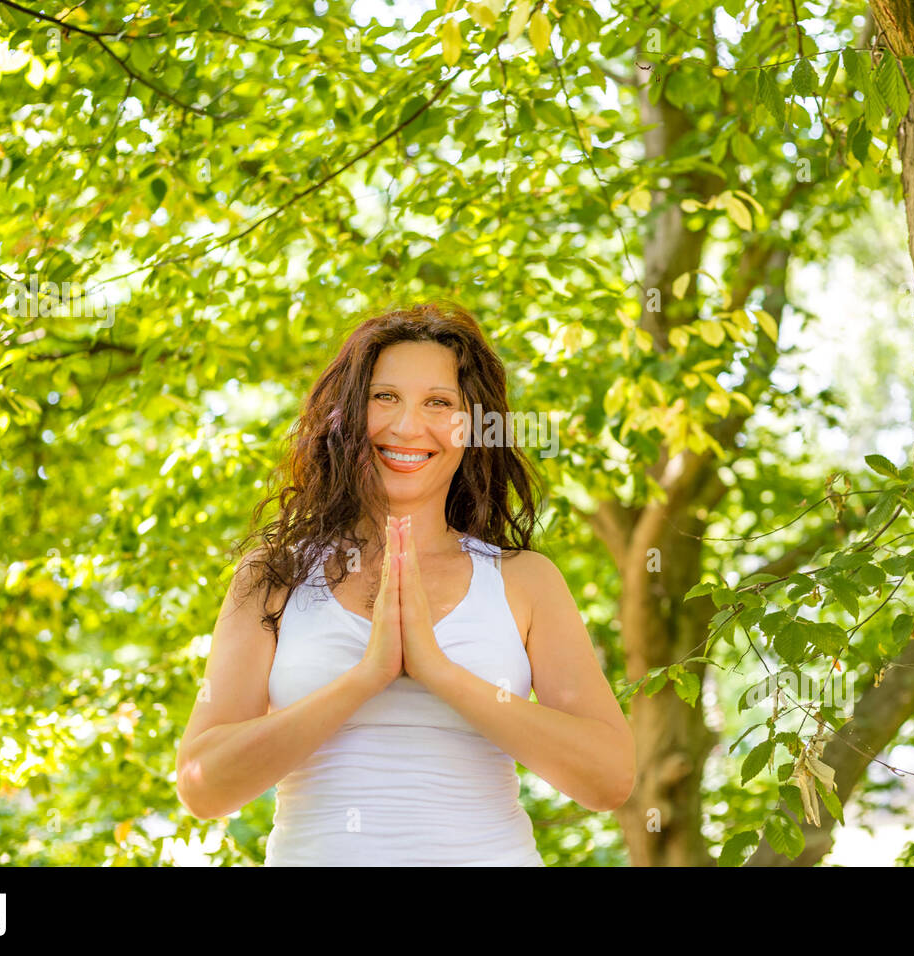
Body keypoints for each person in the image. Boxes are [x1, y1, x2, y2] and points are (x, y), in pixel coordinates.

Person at [175, 300, 636, 865]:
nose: (407, 426)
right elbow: (202, 786)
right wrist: (365, 678)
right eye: (384, 397)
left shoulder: (524, 581)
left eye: (439, 403)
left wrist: (438, 670)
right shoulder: (275, 576)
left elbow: (609, 779)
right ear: (345, 414)